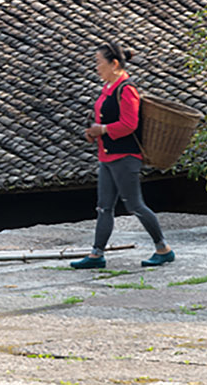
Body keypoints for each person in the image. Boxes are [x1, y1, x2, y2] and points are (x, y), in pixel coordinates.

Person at [69, 42, 175, 269]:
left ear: (114, 64)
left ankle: (163, 248)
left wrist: (104, 130)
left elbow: (129, 123)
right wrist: (94, 133)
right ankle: (97, 255)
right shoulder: (107, 88)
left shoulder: (126, 89)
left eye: (99, 63)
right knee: (104, 206)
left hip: (125, 157)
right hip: (106, 156)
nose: (96, 67)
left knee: (135, 205)